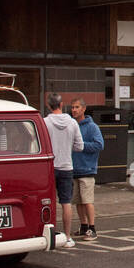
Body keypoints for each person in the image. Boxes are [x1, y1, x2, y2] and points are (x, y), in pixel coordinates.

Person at [43, 93, 84, 247]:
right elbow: (80, 146)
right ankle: (67, 236)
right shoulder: (73, 123)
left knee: (49, 201)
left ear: (48, 106)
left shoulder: (45, 122)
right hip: (67, 166)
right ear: (61, 105)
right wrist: (67, 147)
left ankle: (49, 233)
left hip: (49, 166)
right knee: (66, 202)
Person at [68, 99, 103, 240]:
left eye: (77, 107)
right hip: (74, 169)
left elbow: (99, 145)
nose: (74, 110)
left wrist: (81, 145)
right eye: (72, 107)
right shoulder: (71, 126)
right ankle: (83, 226)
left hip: (87, 169)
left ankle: (92, 228)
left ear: (83, 109)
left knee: (87, 200)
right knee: (78, 201)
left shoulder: (92, 127)